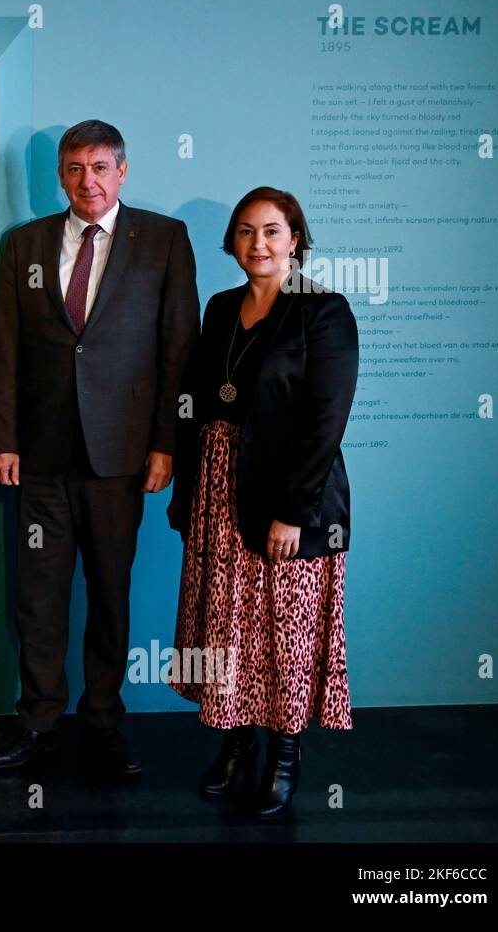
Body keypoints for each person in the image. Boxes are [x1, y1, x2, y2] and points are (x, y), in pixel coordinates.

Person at [0, 120, 200, 774]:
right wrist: (3, 437)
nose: (89, 181)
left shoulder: (162, 240)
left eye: (101, 167)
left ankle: (104, 722)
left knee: (110, 594)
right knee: (38, 598)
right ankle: (40, 722)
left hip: (122, 459)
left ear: (123, 171)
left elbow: (178, 350)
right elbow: (5, 351)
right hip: (41, 458)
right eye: (75, 168)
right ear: (58, 175)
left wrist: (167, 446)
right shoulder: (23, 243)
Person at [167, 186, 358, 820]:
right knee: (226, 625)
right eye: (247, 232)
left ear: (295, 239)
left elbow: (326, 420)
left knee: (285, 631)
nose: (259, 244)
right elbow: (197, 399)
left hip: (287, 491)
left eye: (273, 231)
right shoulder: (221, 308)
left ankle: (284, 754)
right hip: (218, 485)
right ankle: (234, 743)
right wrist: (188, 488)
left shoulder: (323, 311)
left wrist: (293, 513)